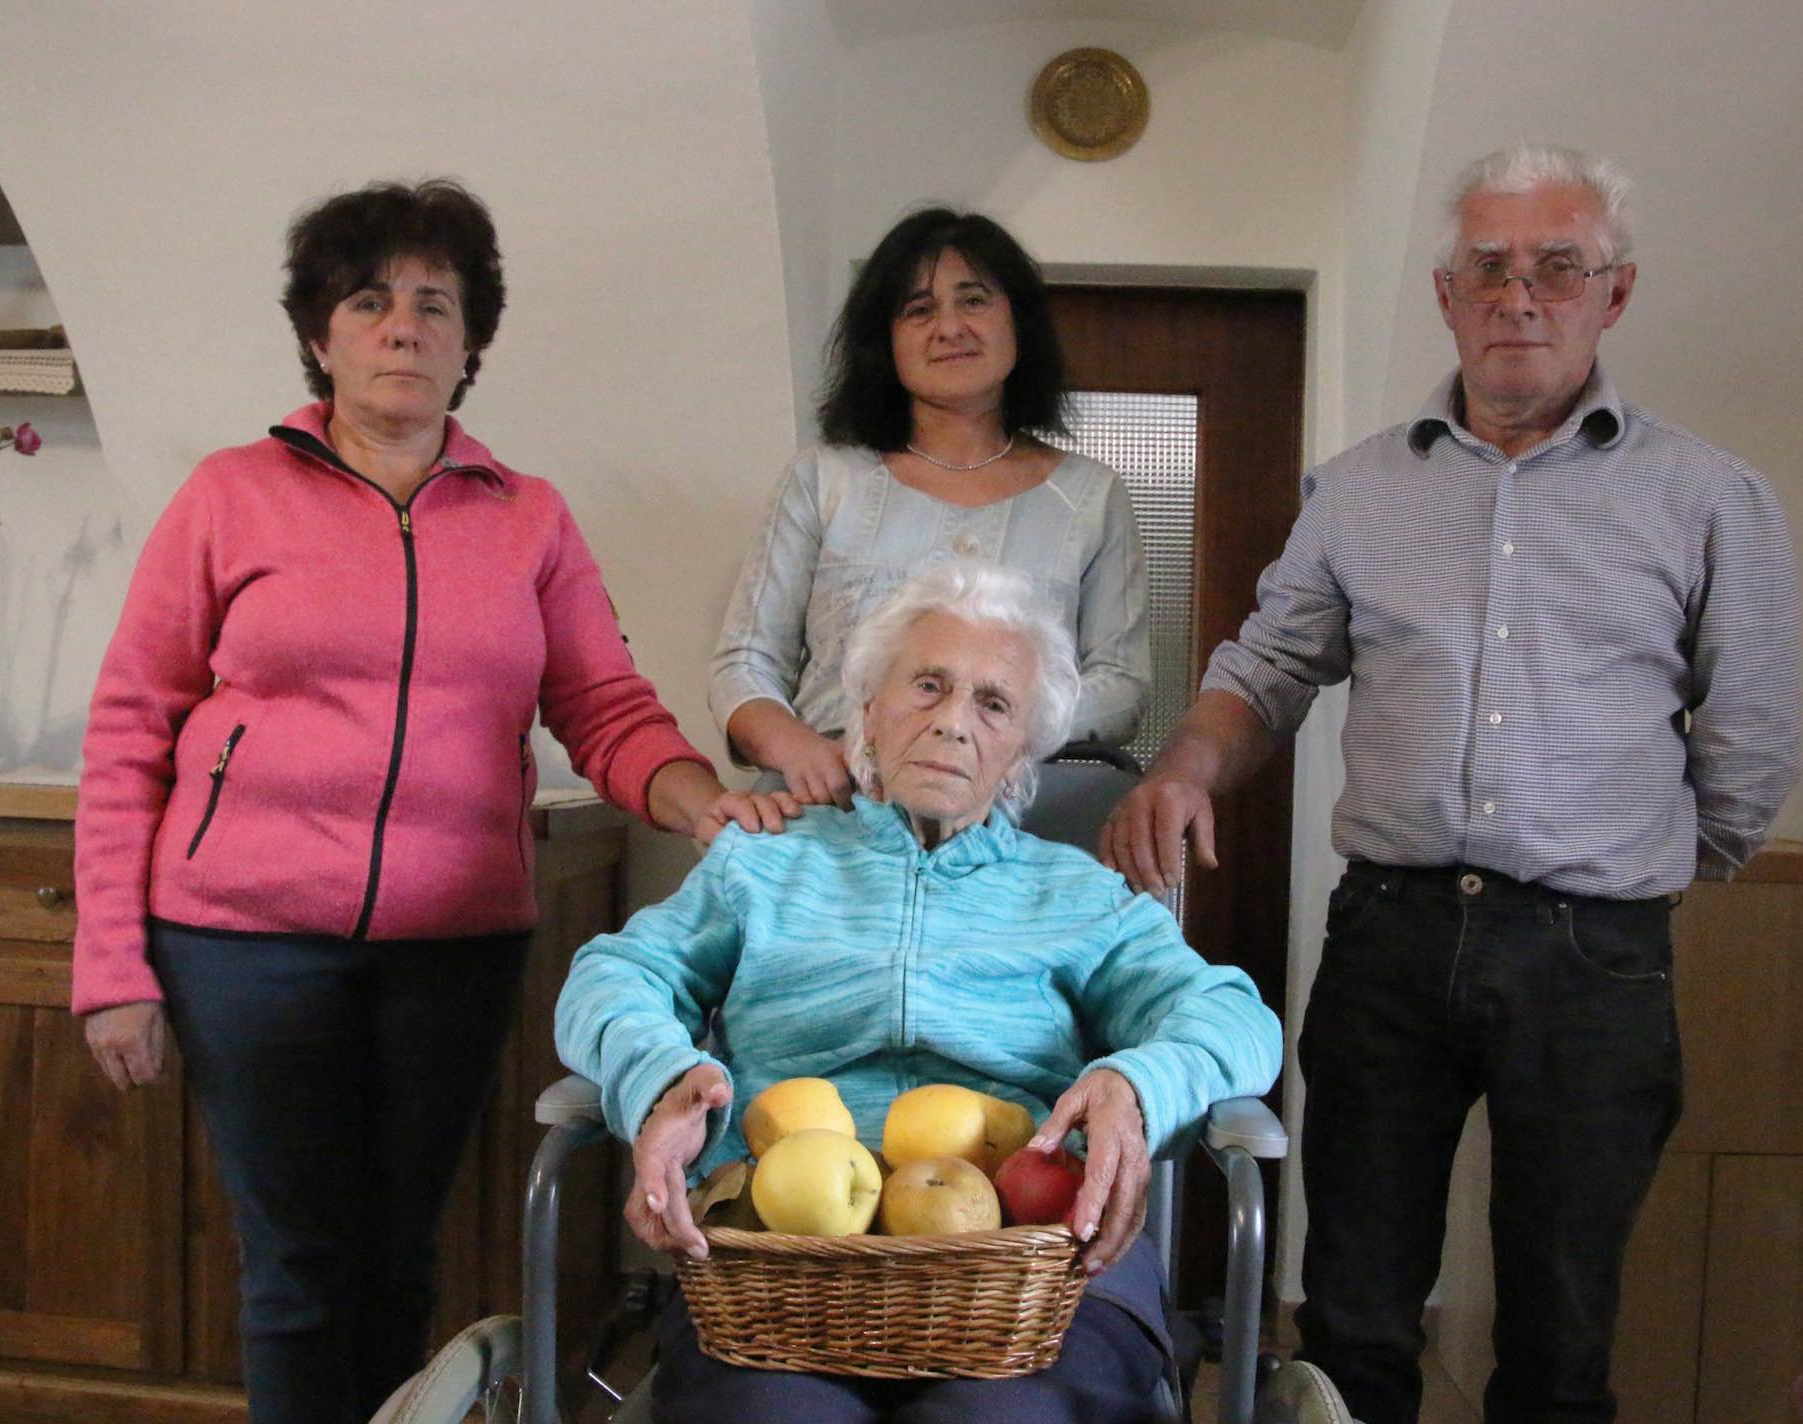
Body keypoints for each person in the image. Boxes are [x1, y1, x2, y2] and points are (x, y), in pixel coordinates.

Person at [70, 180, 793, 1424]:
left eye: (433, 304)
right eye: (369, 300)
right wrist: (113, 967)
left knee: (399, 1253)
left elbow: (606, 706)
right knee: (300, 1261)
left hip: (450, 952)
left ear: (469, 346)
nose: (402, 325)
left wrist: (699, 801)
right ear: (320, 336)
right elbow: (132, 724)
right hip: (242, 944)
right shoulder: (229, 495)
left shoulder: (528, 517)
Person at [1101, 145, 1802, 1424]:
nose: (1518, 296)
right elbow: (1264, 668)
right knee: (1353, 1315)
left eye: (1557, 267)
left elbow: (1747, 742)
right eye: (1488, 267)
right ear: (1445, 292)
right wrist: (1185, 759)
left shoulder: (1708, 496)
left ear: (1614, 294)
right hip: (1389, 935)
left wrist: (1630, 864)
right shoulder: (1359, 489)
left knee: (1558, 1330)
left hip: (1595, 955)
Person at [561, 561, 1281, 1424]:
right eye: (928, 686)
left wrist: (1138, 1083)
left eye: (994, 704)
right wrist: (656, 1078)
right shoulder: (765, 864)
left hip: (1035, 1269)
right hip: (785, 1268)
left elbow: (1234, 1017)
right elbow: (613, 976)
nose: (952, 723)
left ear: (1025, 746)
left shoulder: (1080, 895)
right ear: (868, 707)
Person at [708, 206, 1150, 806]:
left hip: (1021, 816)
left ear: (1018, 323)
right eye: (919, 310)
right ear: (884, 342)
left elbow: (1121, 687)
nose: (949, 327)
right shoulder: (822, 478)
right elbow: (744, 662)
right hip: (832, 804)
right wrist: (795, 747)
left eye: (973, 301)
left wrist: (993, 731)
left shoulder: (1090, 497)